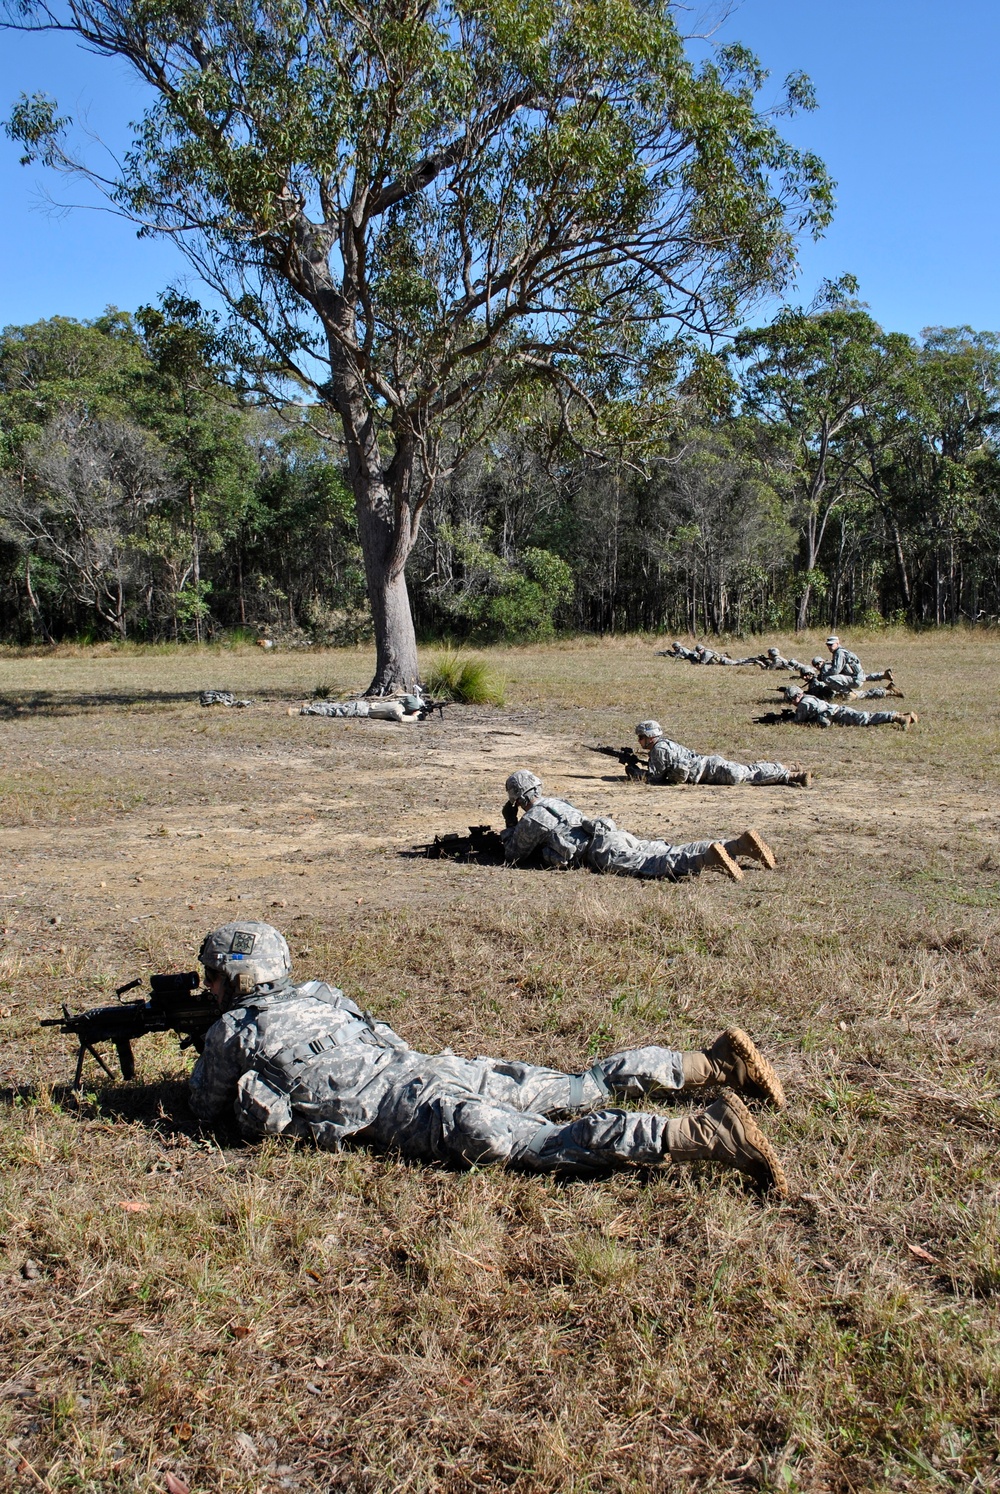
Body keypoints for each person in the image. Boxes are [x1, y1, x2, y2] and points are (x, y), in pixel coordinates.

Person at [188, 921, 788, 1193]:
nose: (209, 989)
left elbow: (201, 1108)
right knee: (578, 1088)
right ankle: (711, 1065)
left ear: (234, 981)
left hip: (408, 1107)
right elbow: (385, 1035)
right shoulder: (322, 994)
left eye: (212, 979)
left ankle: (707, 1134)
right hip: (433, 1068)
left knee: (545, 1144)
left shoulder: (234, 1033)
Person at [499, 770, 778, 882]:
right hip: (613, 834)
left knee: (655, 865)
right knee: (660, 849)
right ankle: (738, 845)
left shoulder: (533, 818)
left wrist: (511, 824)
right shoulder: (558, 802)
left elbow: (514, 855)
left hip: (599, 852)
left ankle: (707, 858)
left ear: (517, 798)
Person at [629, 721, 812, 789]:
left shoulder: (659, 750)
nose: (639, 741)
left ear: (650, 737)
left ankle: (793, 775)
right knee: (749, 770)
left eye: (641, 737)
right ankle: (789, 767)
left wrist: (635, 773)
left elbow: (655, 778)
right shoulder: (663, 745)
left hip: (711, 770)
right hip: (709, 766)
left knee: (746, 775)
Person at [785, 684, 917, 730]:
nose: (792, 703)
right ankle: (906, 716)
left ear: (796, 696)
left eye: (791, 700)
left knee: (866, 719)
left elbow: (798, 720)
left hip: (838, 713)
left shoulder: (804, 703)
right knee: (866, 718)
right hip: (838, 712)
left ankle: (897, 717)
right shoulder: (808, 699)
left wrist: (784, 721)